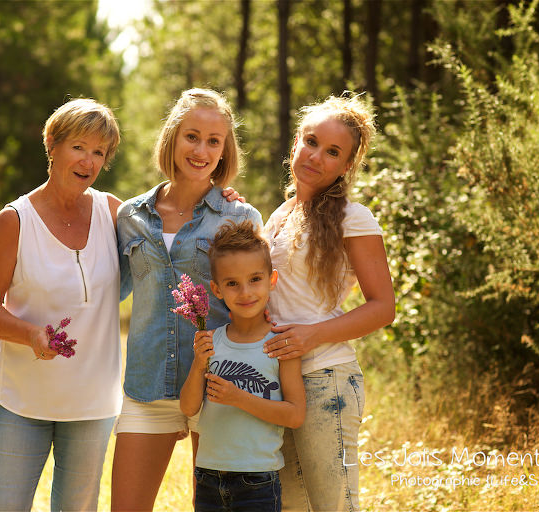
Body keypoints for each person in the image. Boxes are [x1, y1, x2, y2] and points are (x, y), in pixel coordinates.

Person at [112, 88, 263, 511]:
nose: (201, 150)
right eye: (192, 136)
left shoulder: (240, 218)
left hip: (219, 388)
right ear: (173, 138)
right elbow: (109, 291)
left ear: (224, 150)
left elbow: (256, 305)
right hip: (147, 386)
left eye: (214, 141)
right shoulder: (131, 217)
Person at [0, 98, 123, 512]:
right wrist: (29, 333)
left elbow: (170, 231)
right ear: (51, 144)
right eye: (79, 146)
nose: (89, 161)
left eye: (99, 152)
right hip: (23, 400)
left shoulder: (114, 213)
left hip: (93, 403)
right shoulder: (15, 220)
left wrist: (217, 196)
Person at [261, 94, 395, 512]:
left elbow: (382, 306)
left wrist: (311, 335)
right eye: (311, 141)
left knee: (335, 507)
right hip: (279, 384)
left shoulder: (353, 218)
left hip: (326, 380)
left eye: (332, 152)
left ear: (345, 166)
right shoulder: (281, 214)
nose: (316, 156)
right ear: (296, 143)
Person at [180, 220, 306, 512]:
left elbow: (295, 415)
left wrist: (238, 398)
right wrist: (199, 365)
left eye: (255, 279)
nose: (245, 292)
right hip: (208, 475)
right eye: (232, 283)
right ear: (217, 289)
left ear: (271, 281)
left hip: (258, 480)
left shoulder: (281, 345)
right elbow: (188, 408)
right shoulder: (211, 342)